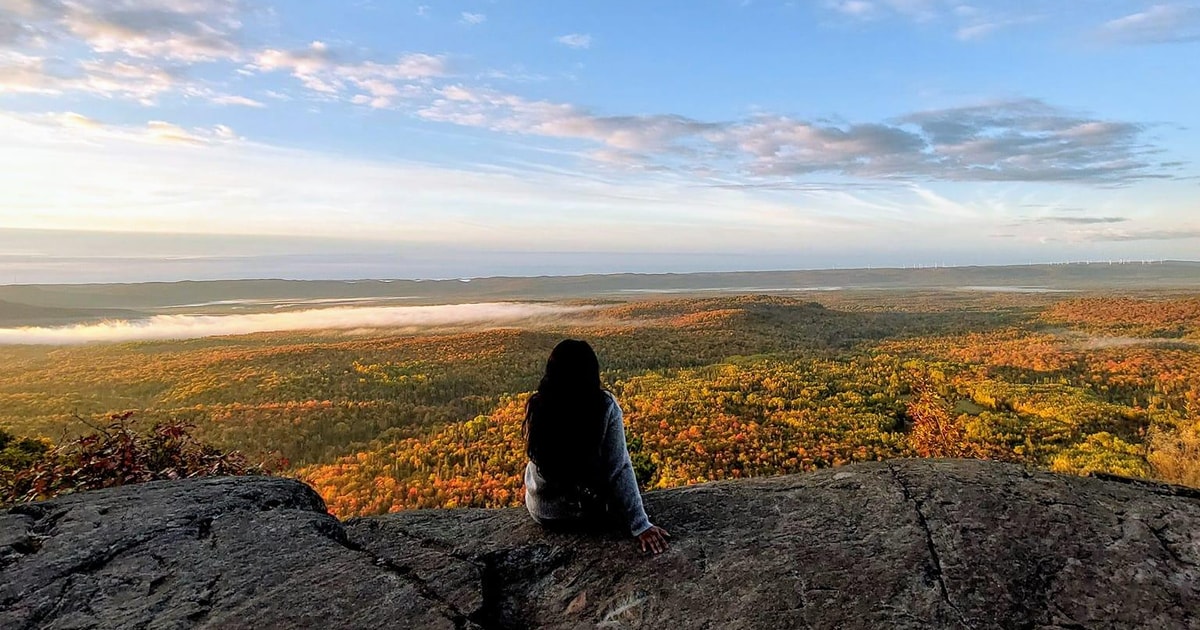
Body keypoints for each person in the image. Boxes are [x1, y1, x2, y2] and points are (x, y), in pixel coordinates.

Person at [523, 339, 670, 554]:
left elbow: (537, 461)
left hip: (541, 511)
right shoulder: (604, 406)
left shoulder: (539, 404)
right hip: (584, 513)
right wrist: (641, 525)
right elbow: (619, 467)